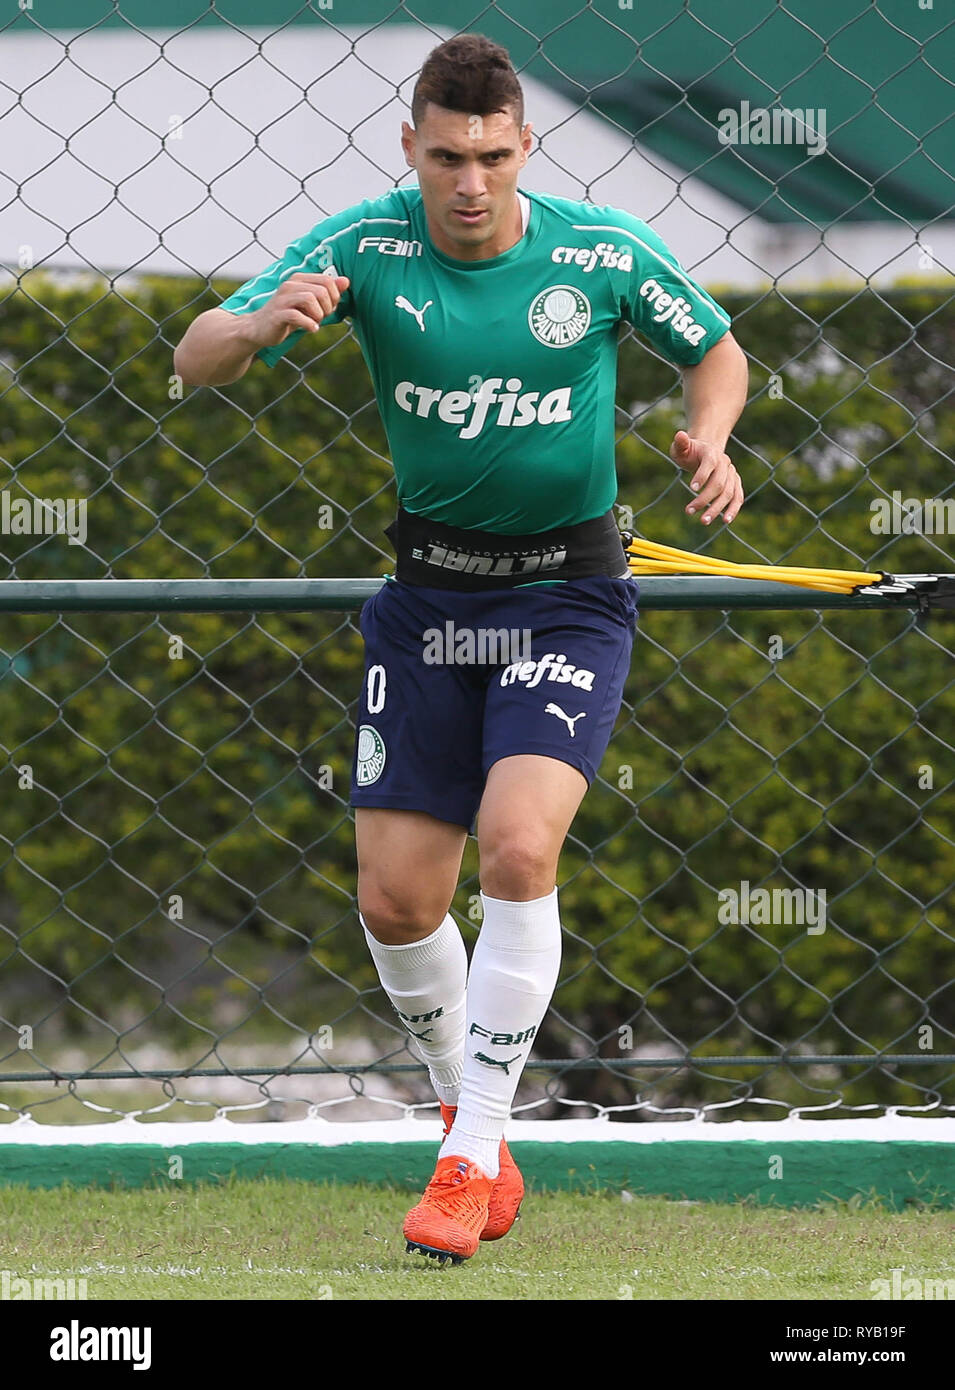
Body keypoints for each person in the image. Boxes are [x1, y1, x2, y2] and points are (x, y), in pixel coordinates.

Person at [173, 32, 748, 1265]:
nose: (470, 182)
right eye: (447, 157)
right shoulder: (365, 244)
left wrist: (712, 437)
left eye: (492, 155)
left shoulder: (599, 251)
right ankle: (467, 1115)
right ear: (411, 150)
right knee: (394, 901)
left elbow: (715, 350)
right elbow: (193, 357)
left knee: (518, 846)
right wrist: (265, 320)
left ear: (525, 146)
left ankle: (471, 1146)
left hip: (565, 599)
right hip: (426, 605)